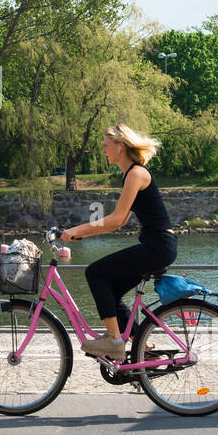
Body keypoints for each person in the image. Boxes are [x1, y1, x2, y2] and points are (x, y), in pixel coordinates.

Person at [60, 123, 176, 359]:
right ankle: (141, 347)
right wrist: (82, 233)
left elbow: (116, 219)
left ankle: (114, 341)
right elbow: (121, 221)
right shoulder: (131, 174)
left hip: (158, 246)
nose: (104, 151)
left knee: (95, 273)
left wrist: (78, 229)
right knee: (110, 290)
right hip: (157, 246)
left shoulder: (136, 173)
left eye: (106, 146)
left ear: (120, 147)